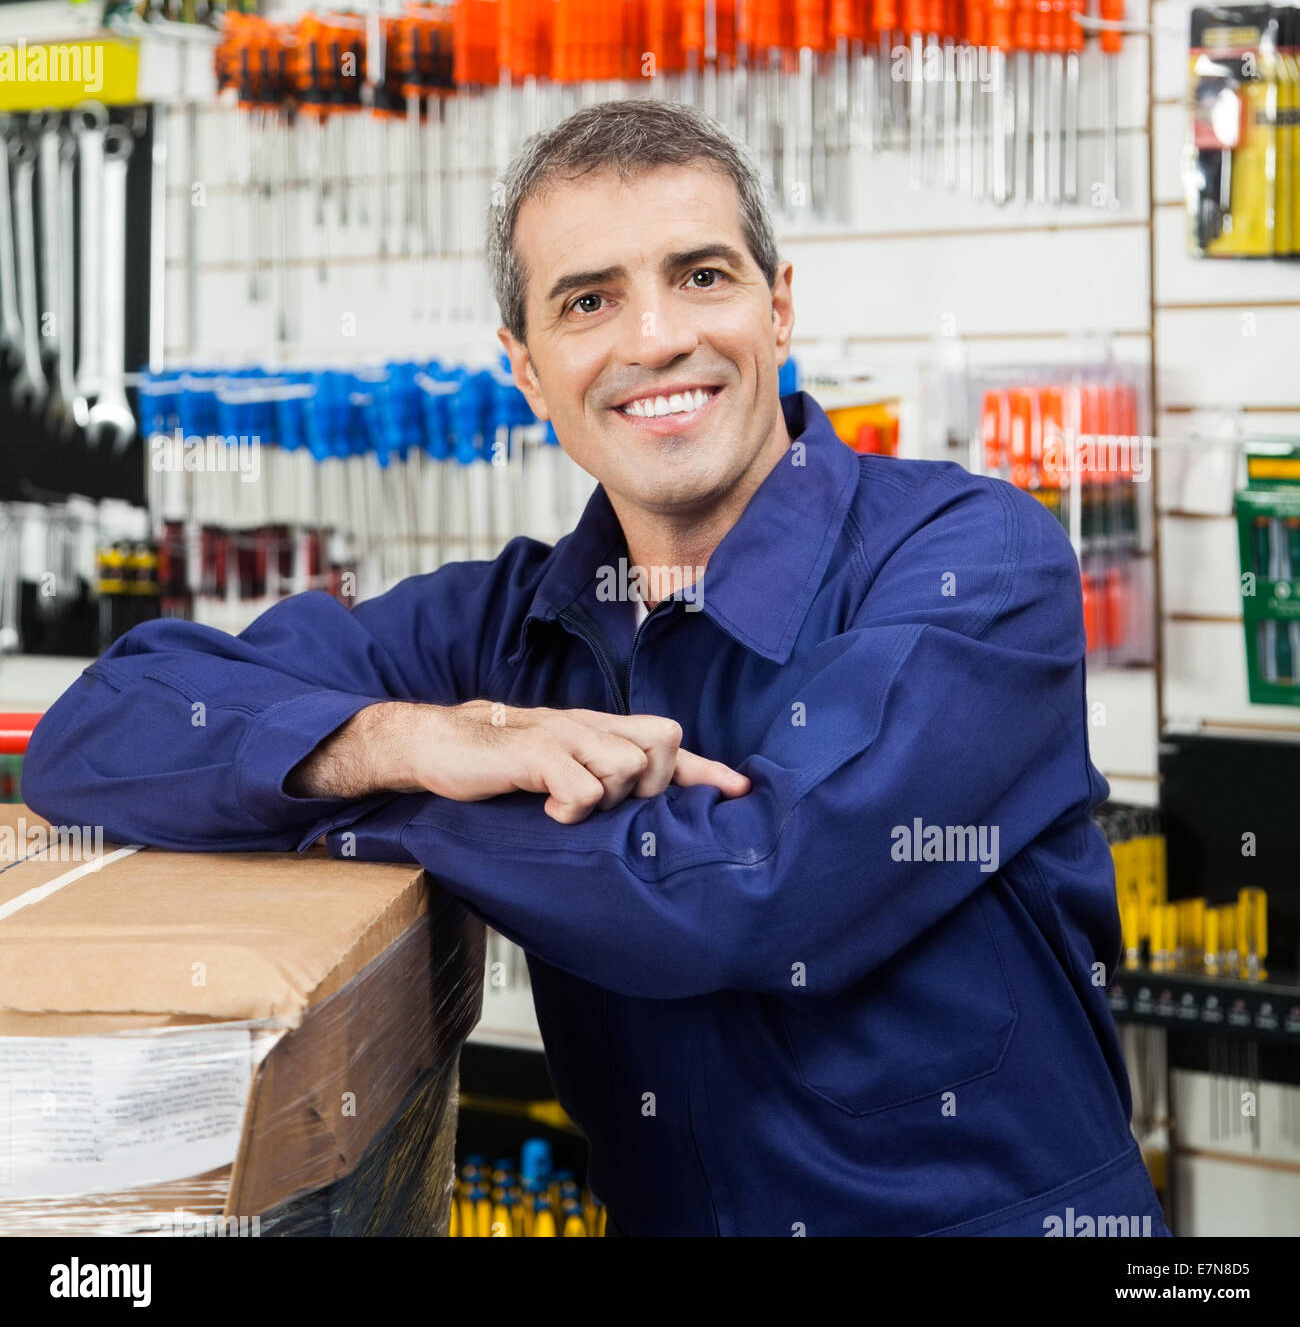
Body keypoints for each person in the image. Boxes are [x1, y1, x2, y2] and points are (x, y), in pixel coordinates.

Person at [24, 99, 1168, 1237]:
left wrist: (375, 811)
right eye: (588, 301)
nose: (654, 337)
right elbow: (99, 729)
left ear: (779, 308)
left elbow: (752, 891)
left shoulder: (975, 558)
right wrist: (419, 739)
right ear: (525, 371)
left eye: (703, 277)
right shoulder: (498, 631)